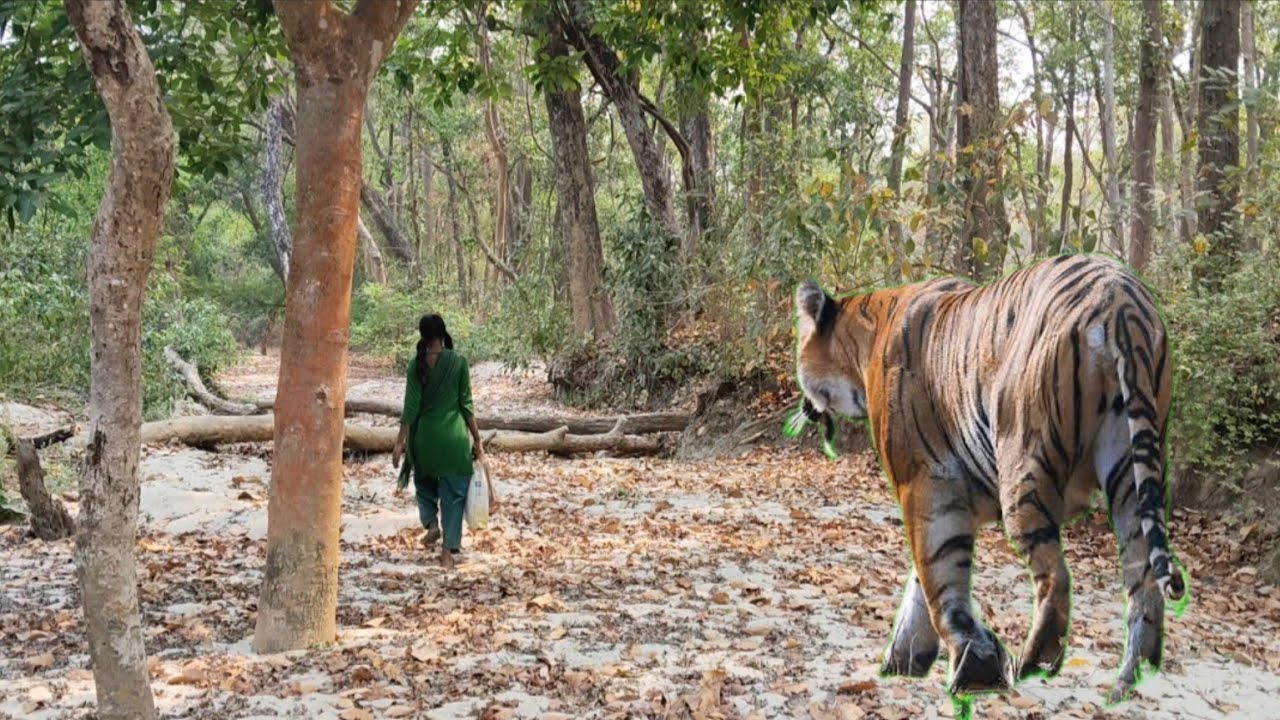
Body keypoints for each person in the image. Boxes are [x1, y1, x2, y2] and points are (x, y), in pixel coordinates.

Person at [392, 314, 485, 570]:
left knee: (424, 482)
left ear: (423, 336)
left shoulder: (416, 365)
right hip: (454, 440)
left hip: (425, 439)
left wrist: (400, 442)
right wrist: (477, 439)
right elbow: (467, 405)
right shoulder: (459, 363)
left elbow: (410, 407)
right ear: (443, 334)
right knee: (454, 496)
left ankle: (432, 523)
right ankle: (447, 552)